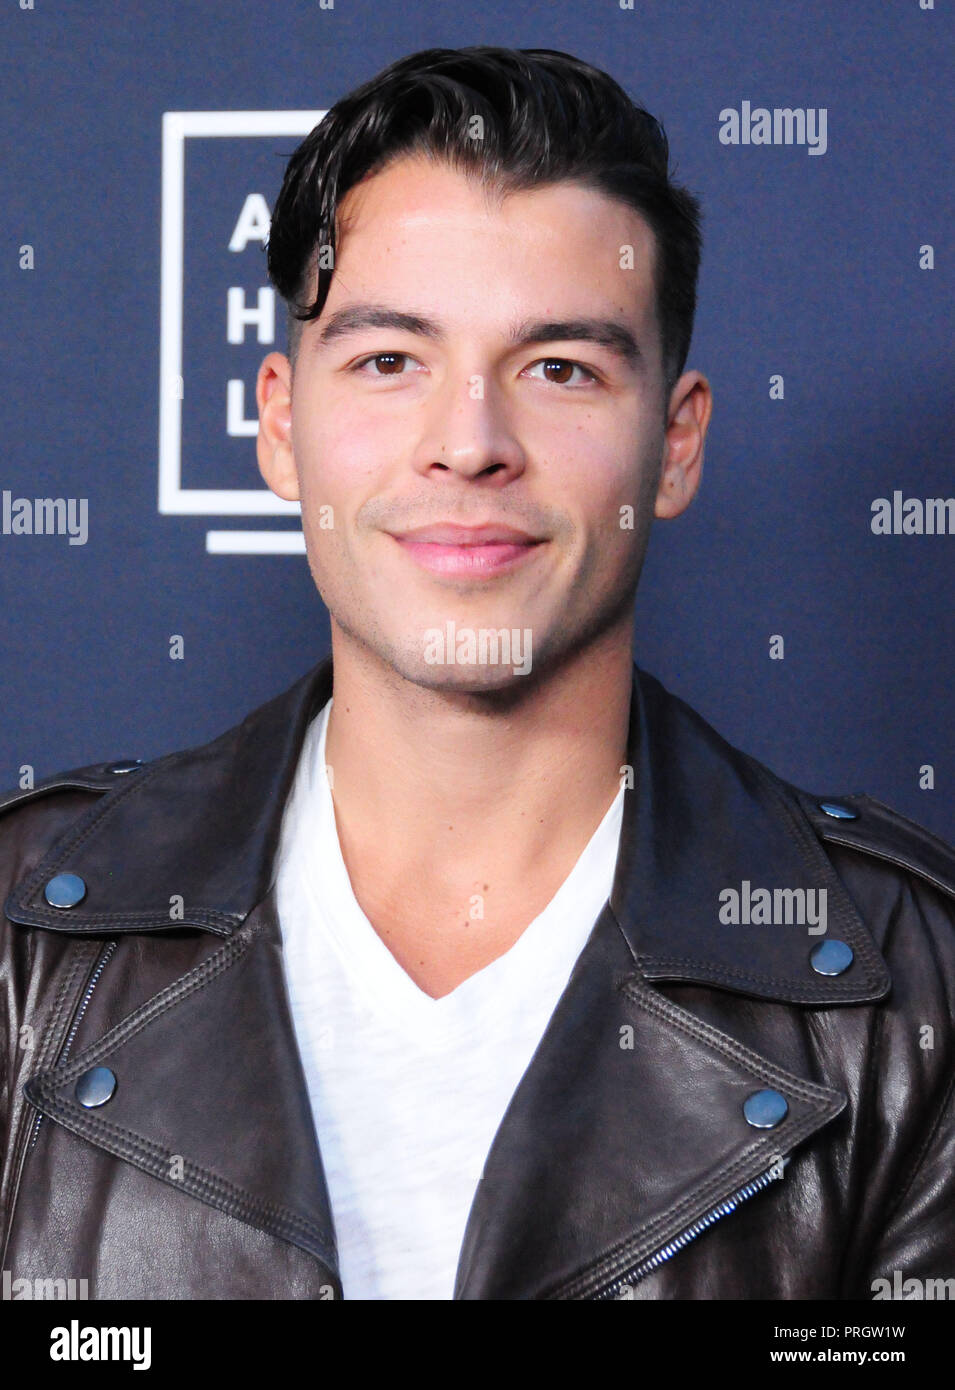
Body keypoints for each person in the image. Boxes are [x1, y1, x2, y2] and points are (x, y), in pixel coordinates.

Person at [2, 46, 953, 1302]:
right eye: (390, 360)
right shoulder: (27, 938)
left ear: (673, 446)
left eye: (559, 367)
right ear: (279, 427)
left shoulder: (906, 985)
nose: (470, 443)